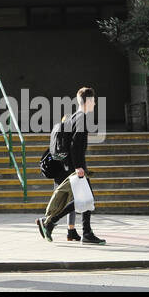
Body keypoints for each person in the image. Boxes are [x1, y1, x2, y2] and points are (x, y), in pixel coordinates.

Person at [35, 87, 105, 245]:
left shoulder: (73, 117)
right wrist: (79, 168)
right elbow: (75, 146)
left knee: (85, 199)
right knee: (87, 198)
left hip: (69, 166)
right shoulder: (82, 118)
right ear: (87, 101)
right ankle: (50, 222)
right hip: (75, 167)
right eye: (93, 100)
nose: (94, 103)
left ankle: (84, 232)